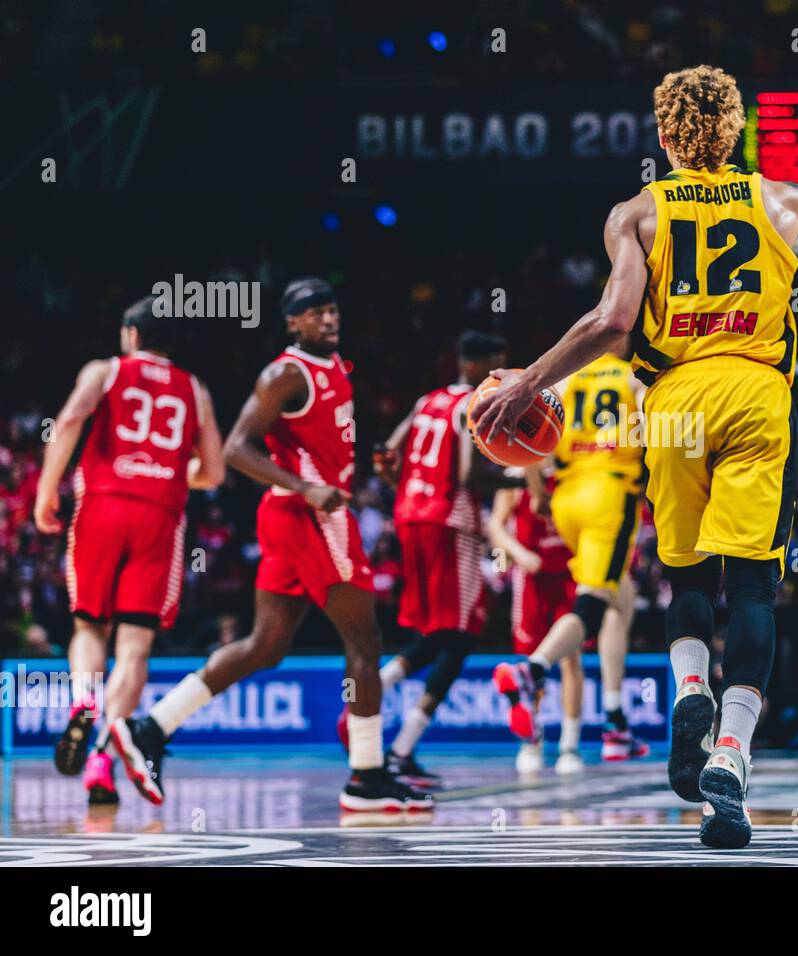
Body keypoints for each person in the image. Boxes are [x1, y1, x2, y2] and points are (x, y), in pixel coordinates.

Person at [471, 65, 798, 847]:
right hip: (757, 395)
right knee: (752, 585)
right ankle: (732, 754)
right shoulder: (788, 200)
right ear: (738, 128)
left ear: (662, 136)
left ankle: (691, 689)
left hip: (676, 401)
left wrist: (528, 381)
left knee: (685, 573)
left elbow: (613, 321)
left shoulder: (637, 211)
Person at [108, 277, 431, 812]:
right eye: (317, 313)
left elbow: (323, 444)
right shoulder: (286, 373)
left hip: (296, 515)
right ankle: (367, 779)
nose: (329, 319)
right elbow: (236, 448)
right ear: (293, 323)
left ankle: (150, 727)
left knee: (266, 646)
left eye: (333, 310)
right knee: (366, 640)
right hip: (308, 515)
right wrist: (307, 486)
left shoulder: (335, 368)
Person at [35, 295, 224, 805]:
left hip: (102, 506)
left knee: (89, 626)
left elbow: (72, 417)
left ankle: (82, 702)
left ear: (132, 335)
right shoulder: (195, 390)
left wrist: (47, 487)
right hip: (159, 516)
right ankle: (101, 754)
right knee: (134, 646)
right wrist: (165, 470)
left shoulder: (106, 370)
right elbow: (214, 472)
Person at [359, 330, 514, 784]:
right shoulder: (473, 403)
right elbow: (467, 473)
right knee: (462, 634)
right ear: (476, 366)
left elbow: (384, 455)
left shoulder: (426, 400)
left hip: (410, 518)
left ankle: (378, 708)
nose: (499, 378)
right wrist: (522, 480)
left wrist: (405, 489)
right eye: (496, 368)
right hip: (450, 523)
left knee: (440, 632)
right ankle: (397, 742)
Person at [491, 350, 649, 769]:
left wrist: (538, 489)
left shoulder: (566, 378)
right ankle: (533, 670)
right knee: (594, 603)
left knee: (622, 596)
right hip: (610, 494)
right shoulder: (633, 377)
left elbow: (530, 424)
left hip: (567, 499)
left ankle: (616, 721)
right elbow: (656, 431)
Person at [486, 479, 584, 774]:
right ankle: (531, 743)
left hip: (570, 572)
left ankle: (569, 745)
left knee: (571, 659)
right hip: (532, 578)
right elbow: (494, 527)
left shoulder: (571, 464)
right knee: (528, 668)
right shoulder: (515, 472)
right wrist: (518, 553)